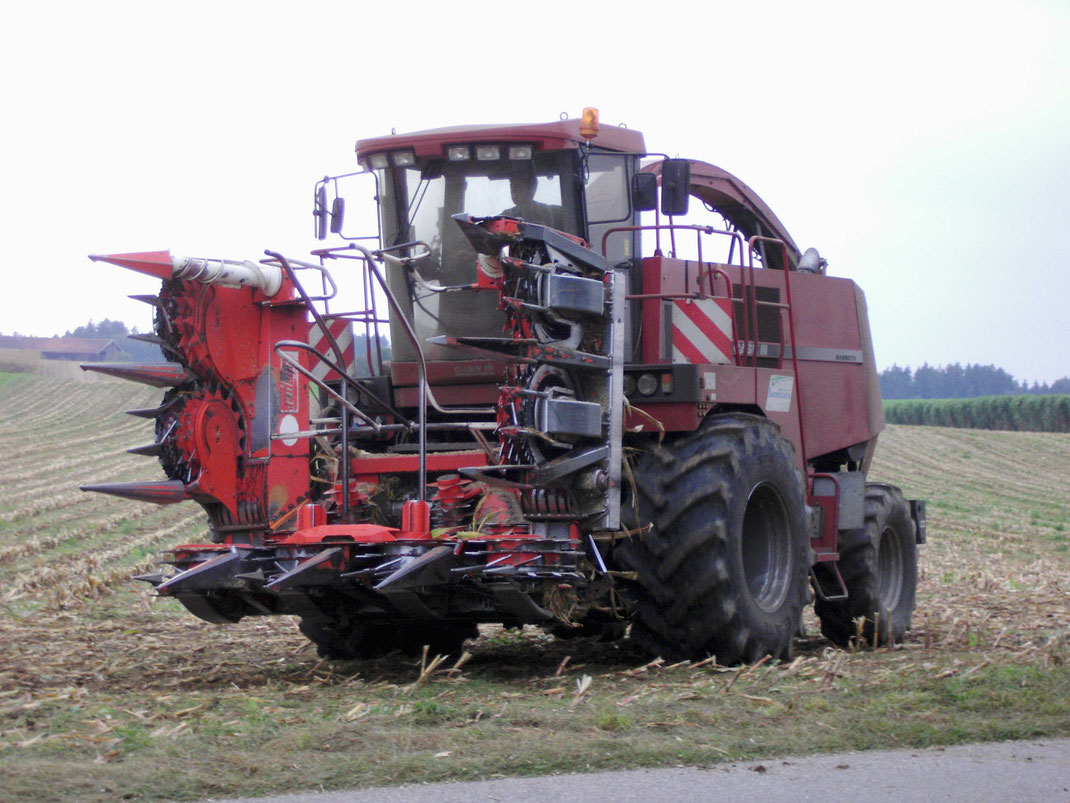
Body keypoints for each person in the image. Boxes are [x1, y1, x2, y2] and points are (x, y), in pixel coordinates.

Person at [501, 163, 561, 228]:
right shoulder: (505, 216)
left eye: (518, 186)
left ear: (531, 187)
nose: (513, 190)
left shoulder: (553, 213)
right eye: (512, 185)